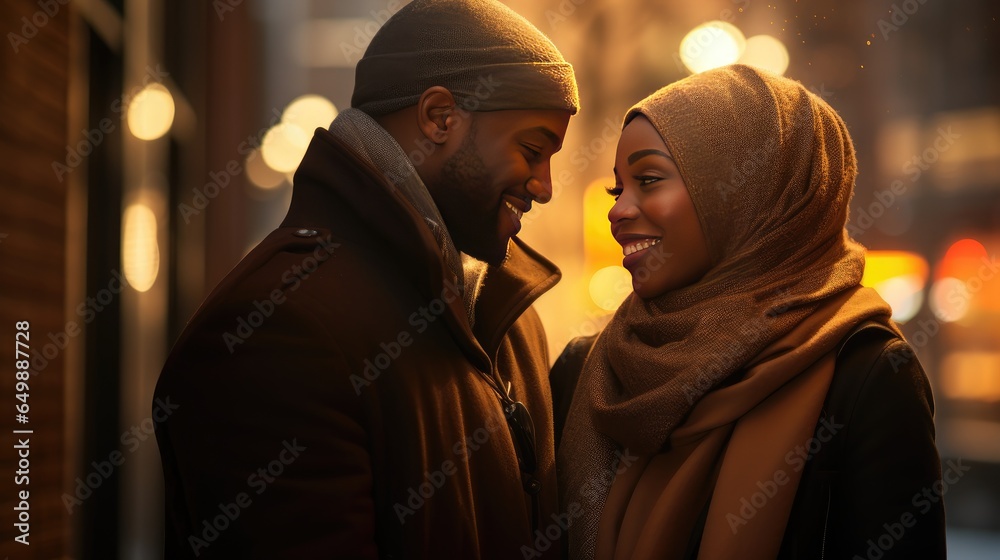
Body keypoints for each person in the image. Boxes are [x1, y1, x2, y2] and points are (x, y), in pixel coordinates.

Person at [153, 1, 579, 557]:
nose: (545, 187)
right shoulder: (275, 329)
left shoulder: (508, 315)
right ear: (439, 118)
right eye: (531, 149)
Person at [553, 64, 945, 559]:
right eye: (617, 189)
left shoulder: (864, 376)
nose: (618, 211)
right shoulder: (585, 370)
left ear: (752, 195)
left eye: (649, 180)